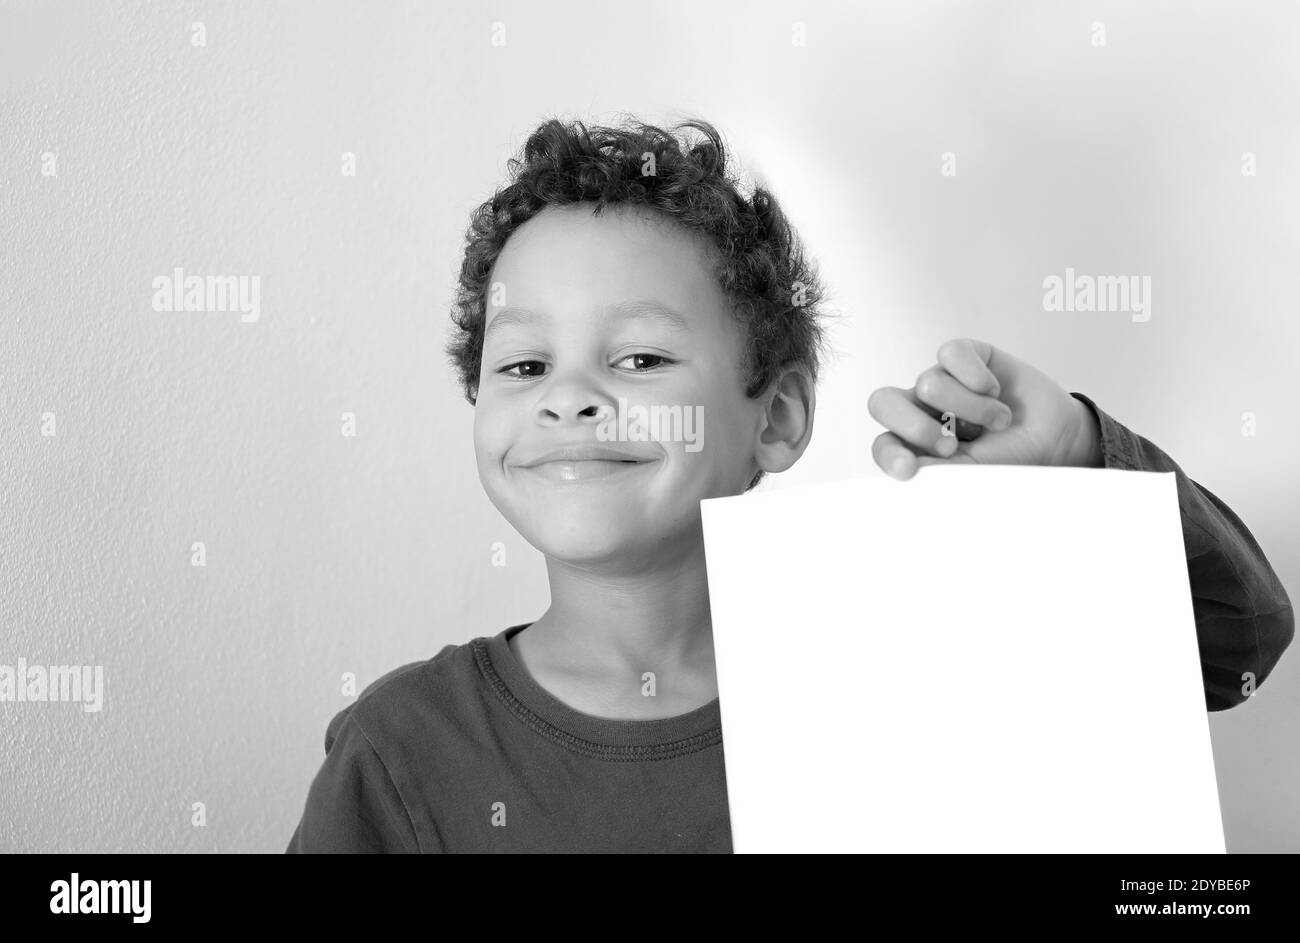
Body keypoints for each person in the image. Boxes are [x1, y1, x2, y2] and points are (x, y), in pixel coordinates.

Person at [286, 117, 1293, 853]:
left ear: (775, 418)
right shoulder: (402, 749)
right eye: (522, 366)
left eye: (638, 359)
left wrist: (1075, 453)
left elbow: (1238, 642)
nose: (571, 398)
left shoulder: (917, 653)